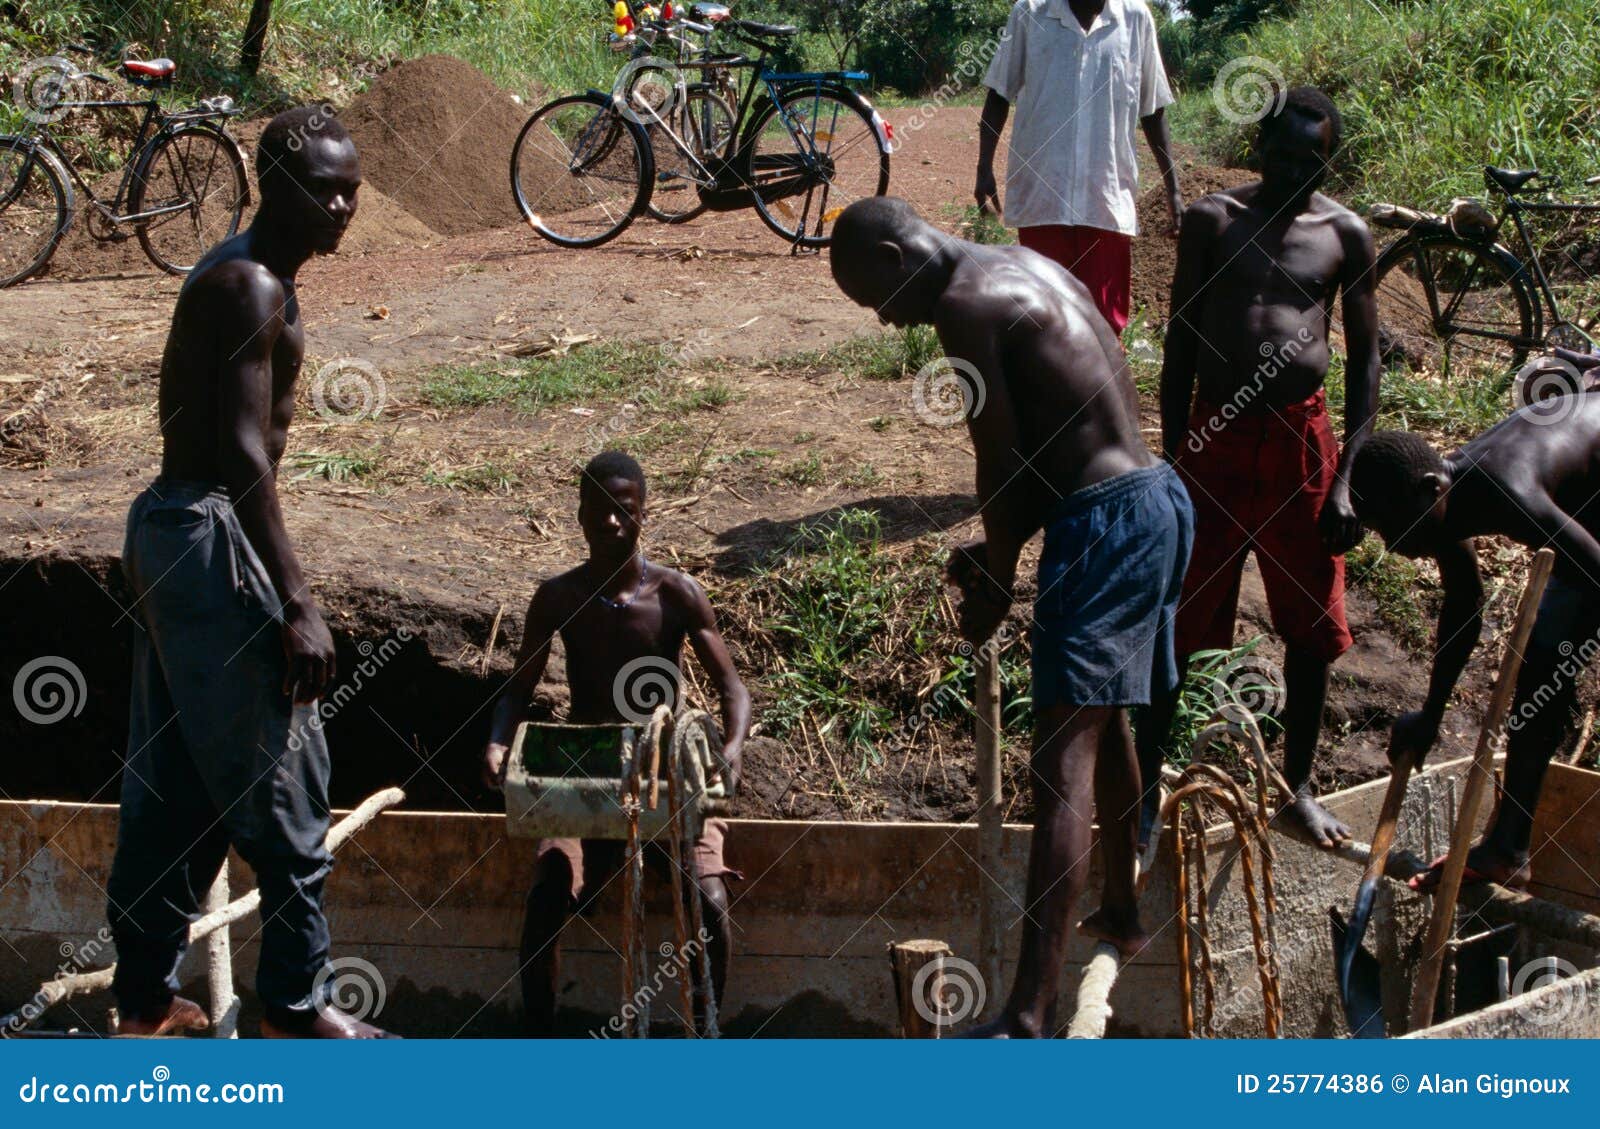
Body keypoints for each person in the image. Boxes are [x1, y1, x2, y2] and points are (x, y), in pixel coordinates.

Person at [829, 196, 1193, 1037]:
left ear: (893, 254)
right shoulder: (1017, 264)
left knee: (1059, 762)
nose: (887, 323)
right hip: (1152, 503)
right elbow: (1042, 458)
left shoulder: (963, 304)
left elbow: (997, 462)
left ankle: (1026, 1011)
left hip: (1105, 524)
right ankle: (1122, 908)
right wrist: (994, 555)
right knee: (1104, 725)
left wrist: (996, 582)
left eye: (874, 299)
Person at [106, 107, 390, 1037]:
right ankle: (296, 1008)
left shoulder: (261, 276)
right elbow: (242, 455)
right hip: (201, 530)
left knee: (183, 782)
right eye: (324, 186)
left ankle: (145, 997)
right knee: (285, 772)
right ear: (275, 184)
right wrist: (298, 601)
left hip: (176, 531)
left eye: (351, 185)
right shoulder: (250, 287)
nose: (343, 203)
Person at [1140, 87, 1380, 850]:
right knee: (1175, 615)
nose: (1293, 173)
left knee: (1312, 623)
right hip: (1213, 436)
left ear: (1327, 161)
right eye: (1281, 156)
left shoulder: (1346, 234)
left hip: (1300, 443)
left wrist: (1347, 476)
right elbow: (1180, 342)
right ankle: (1145, 788)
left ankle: (1297, 787)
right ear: (1259, 151)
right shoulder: (1214, 221)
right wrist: (1175, 455)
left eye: (1310, 161)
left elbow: (1366, 360)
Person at [482, 451, 751, 1033]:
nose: (610, 524)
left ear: (642, 515)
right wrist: (499, 743)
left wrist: (731, 750)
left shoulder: (676, 595)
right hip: (586, 771)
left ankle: (707, 1032)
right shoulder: (559, 597)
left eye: (623, 511)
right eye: (597, 511)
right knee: (546, 894)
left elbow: (733, 689)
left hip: (664, 772)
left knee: (709, 900)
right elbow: (518, 687)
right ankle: (539, 1039)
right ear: (579, 516)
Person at [1350, 405, 1600, 889]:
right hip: (1585, 507)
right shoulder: (1434, 505)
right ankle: (1508, 849)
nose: (1391, 546)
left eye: (1391, 528)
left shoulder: (1510, 489)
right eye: (1379, 532)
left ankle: (1508, 846)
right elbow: (1465, 605)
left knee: (1546, 665)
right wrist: (1431, 715)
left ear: (1429, 490)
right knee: (1544, 666)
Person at [975, 0, 1183, 335]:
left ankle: (1100, 389)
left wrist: (1173, 188)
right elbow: (999, 93)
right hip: (1043, 196)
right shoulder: (1030, 12)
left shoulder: (1135, 18)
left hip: (1105, 200)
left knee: (1103, 326)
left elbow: (1153, 110)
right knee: (1042, 323)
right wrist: (983, 166)